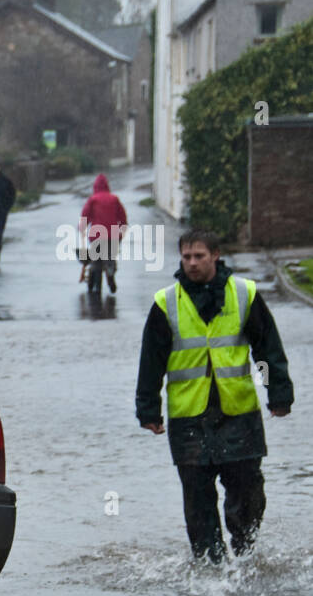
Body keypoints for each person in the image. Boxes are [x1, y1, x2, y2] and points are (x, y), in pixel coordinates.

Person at [136, 230, 294, 562]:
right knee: (197, 500)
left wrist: (277, 392)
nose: (191, 263)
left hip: (238, 413)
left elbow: (265, 351)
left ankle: (244, 555)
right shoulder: (166, 303)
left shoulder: (244, 294)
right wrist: (148, 410)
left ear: (216, 255)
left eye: (199, 256)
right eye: (186, 257)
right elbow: (151, 361)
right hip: (188, 418)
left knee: (247, 492)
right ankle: (211, 568)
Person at [78, 173, 127, 294]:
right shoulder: (114, 199)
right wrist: (121, 231)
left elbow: (85, 214)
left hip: (97, 236)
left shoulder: (93, 199)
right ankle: (110, 272)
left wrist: (82, 227)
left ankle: (96, 278)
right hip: (112, 236)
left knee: (96, 259)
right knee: (110, 257)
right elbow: (122, 216)